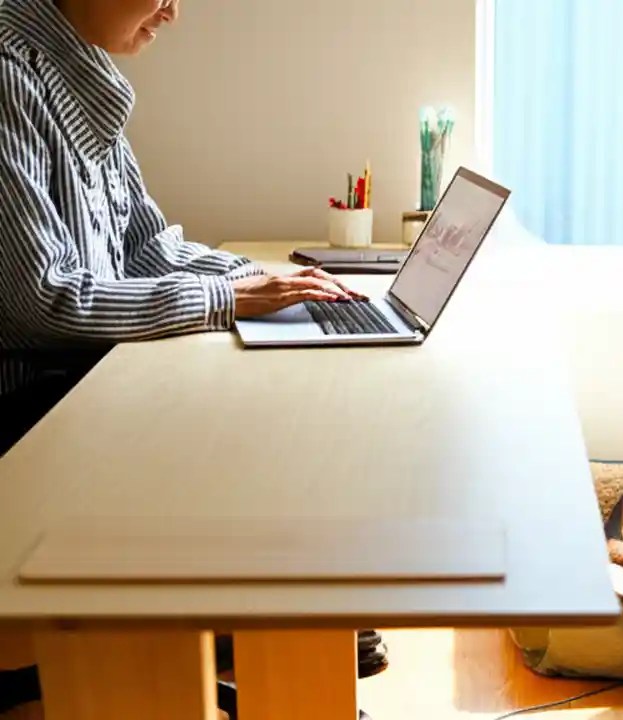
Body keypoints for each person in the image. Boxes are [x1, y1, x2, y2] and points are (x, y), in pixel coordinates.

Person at [0, 0, 386, 713]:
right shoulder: (8, 74)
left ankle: (285, 631)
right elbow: (40, 298)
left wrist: (267, 281)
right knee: (237, 422)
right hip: (28, 418)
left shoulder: (76, 75)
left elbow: (149, 248)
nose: (174, 12)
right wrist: (229, 301)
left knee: (279, 390)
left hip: (84, 386)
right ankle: (268, 635)